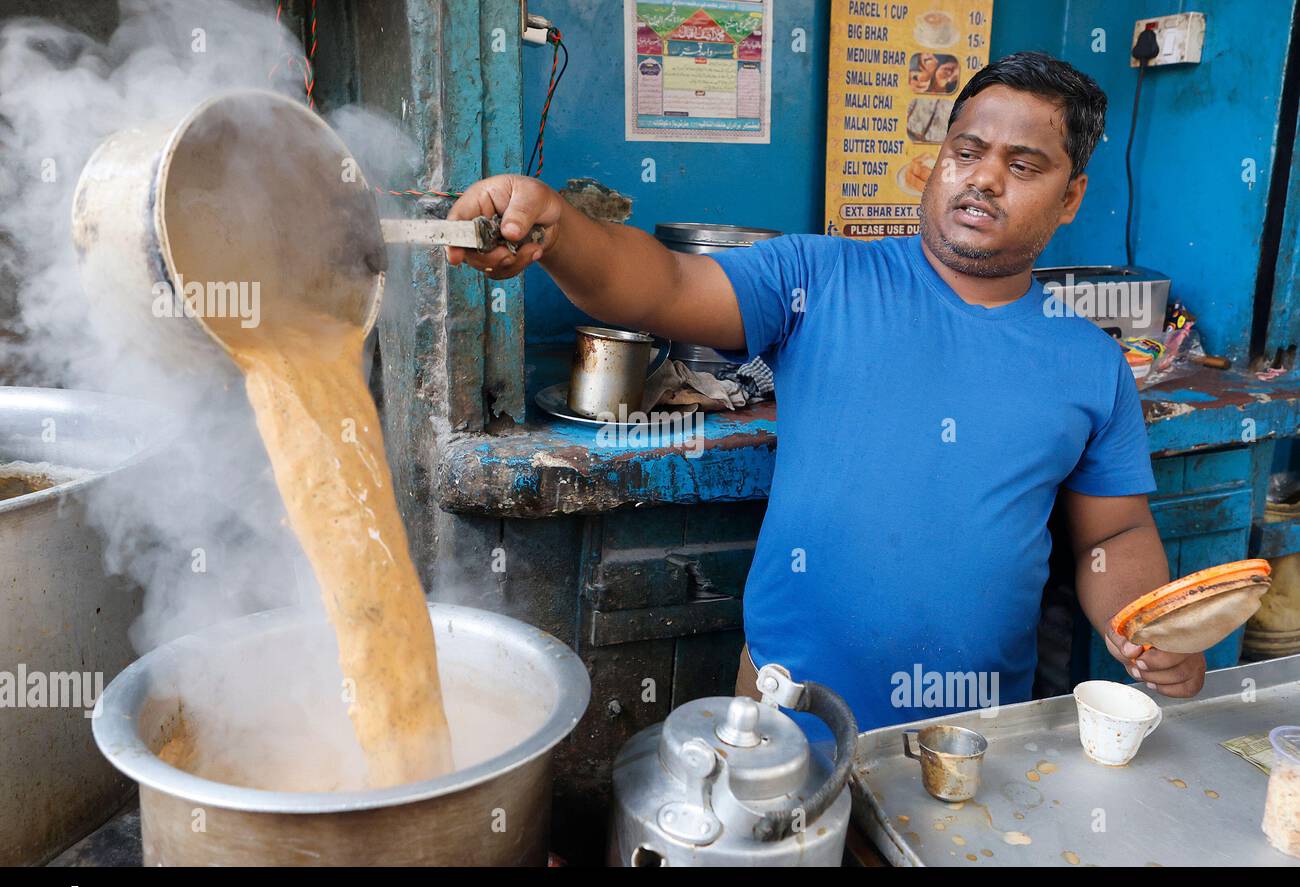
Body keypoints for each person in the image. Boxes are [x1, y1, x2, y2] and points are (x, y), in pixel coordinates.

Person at [446, 51, 1201, 732]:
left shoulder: (1087, 361)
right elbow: (661, 286)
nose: (983, 178)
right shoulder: (819, 279)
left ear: (1071, 197)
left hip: (975, 736)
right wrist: (559, 228)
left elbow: (1113, 536)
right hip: (787, 715)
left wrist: (1152, 627)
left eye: (1023, 165)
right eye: (965, 152)